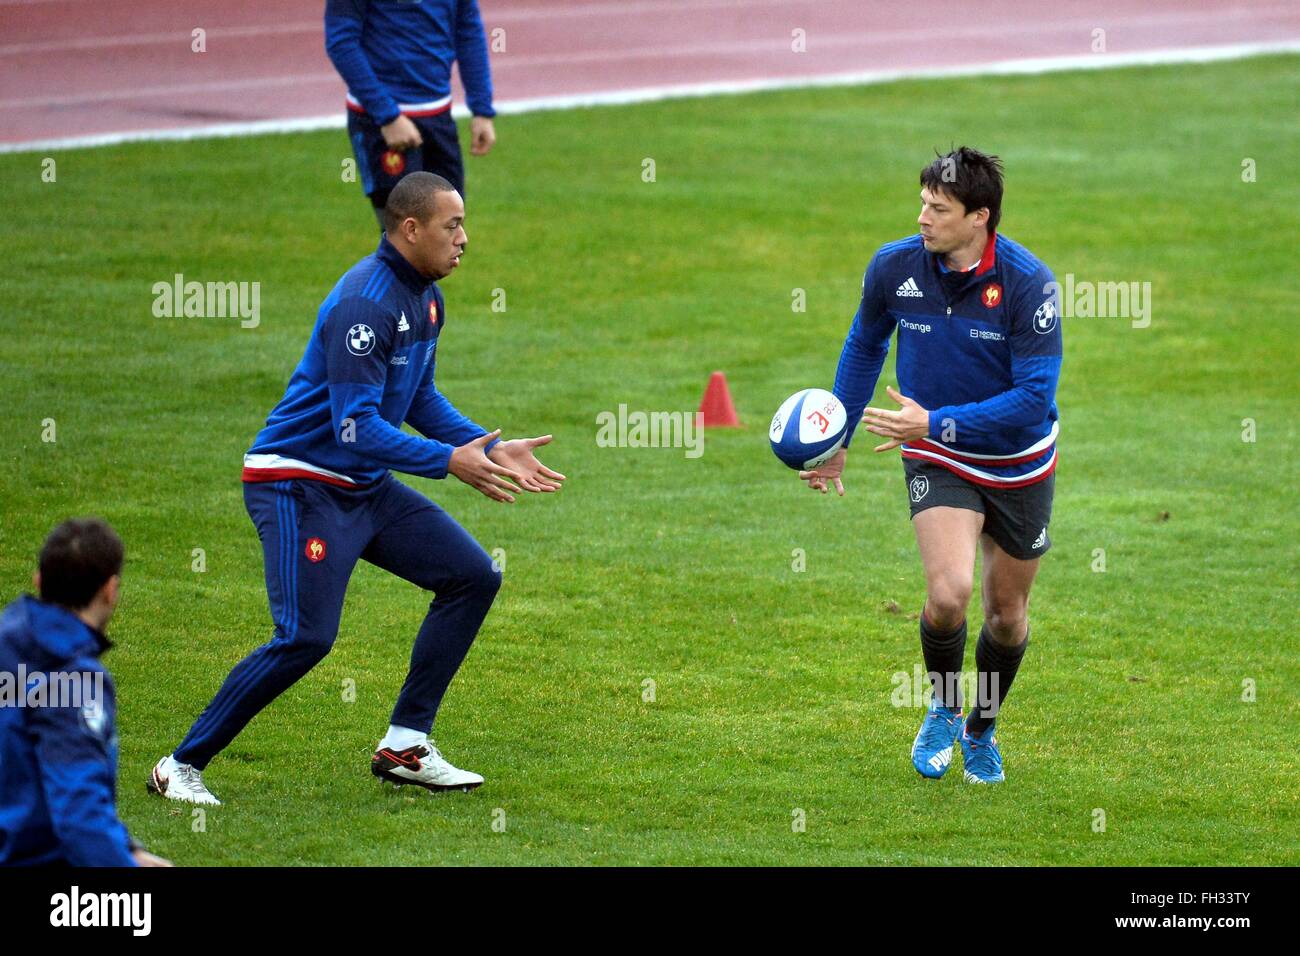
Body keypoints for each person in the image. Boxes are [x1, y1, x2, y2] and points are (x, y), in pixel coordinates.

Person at [148, 172, 564, 806]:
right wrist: (446, 462)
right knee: (306, 638)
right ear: (410, 229)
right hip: (297, 484)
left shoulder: (426, 298)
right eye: (453, 226)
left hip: (362, 486)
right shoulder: (364, 305)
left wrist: (484, 445)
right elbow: (354, 426)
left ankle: (405, 744)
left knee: (472, 577)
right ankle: (179, 765)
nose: (465, 239)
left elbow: (418, 396)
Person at [804, 147, 1062, 784]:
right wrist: (835, 429)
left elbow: (1034, 398)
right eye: (921, 202)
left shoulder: (1030, 285)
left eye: (938, 208)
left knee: (1007, 617)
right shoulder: (894, 268)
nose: (922, 216)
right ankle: (946, 707)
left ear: (980, 218)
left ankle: (982, 727)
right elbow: (865, 343)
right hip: (936, 453)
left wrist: (936, 419)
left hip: (1019, 461)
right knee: (949, 595)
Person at [0, 518, 170, 866]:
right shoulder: (73, 680)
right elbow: (80, 816)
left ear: (39, 581)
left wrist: (128, 848)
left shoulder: (7, 642)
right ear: (110, 590)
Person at [325, 0, 497, 226]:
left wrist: (481, 109)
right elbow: (341, 42)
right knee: (403, 241)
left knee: (448, 237)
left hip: (438, 117)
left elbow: (468, 30)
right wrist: (388, 116)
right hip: (382, 123)